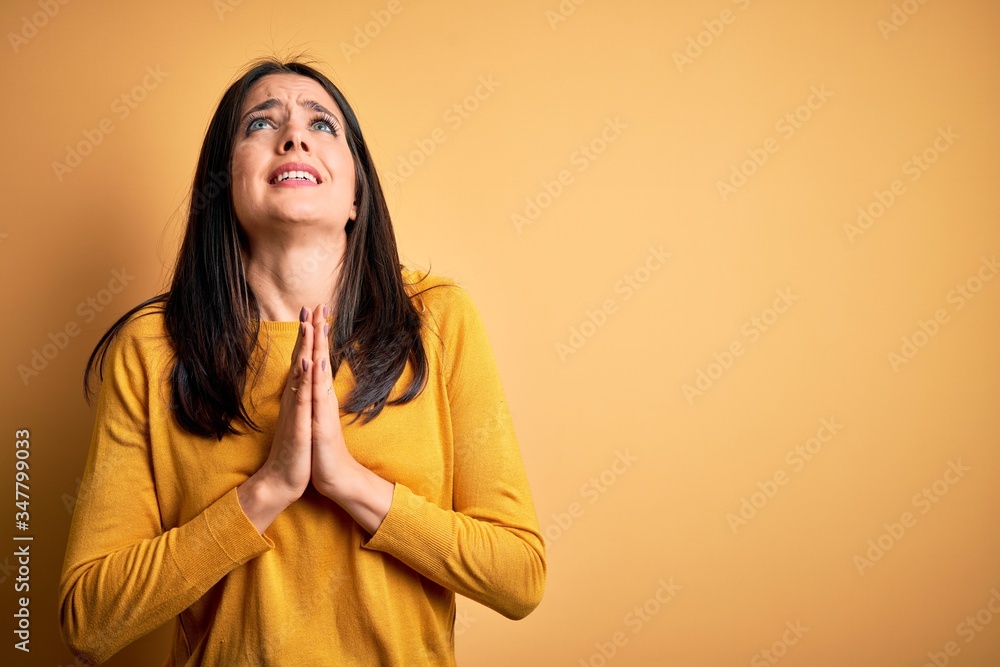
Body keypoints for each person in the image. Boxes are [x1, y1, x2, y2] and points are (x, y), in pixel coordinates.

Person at [58, 57, 546, 666]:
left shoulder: (439, 319)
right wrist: (270, 488)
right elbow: (88, 622)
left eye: (323, 125)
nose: (294, 135)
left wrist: (347, 483)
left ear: (355, 192)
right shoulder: (154, 347)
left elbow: (519, 578)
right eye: (261, 124)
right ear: (223, 182)